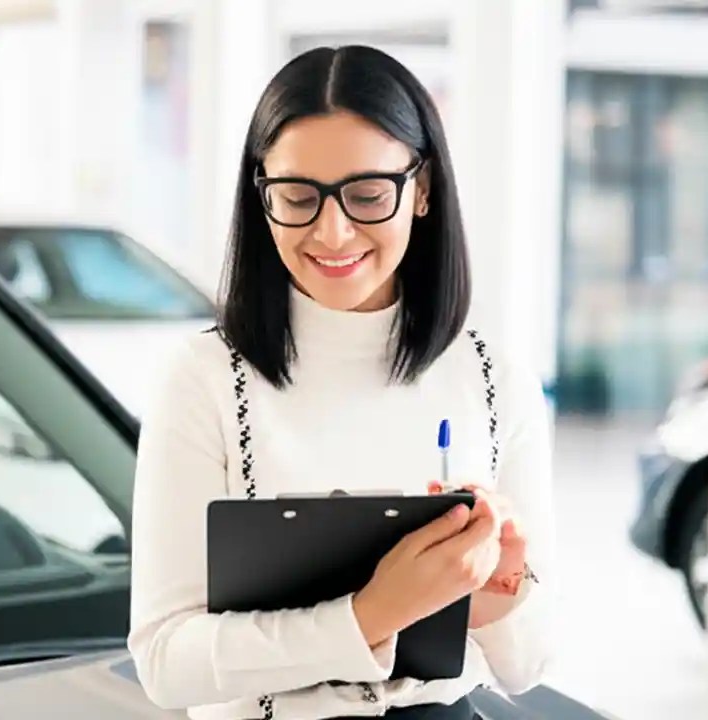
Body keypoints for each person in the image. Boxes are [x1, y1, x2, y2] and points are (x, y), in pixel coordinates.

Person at [126, 44, 556, 720]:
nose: (332, 230)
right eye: (297, 196)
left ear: (423, 191)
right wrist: (372, 614)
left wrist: (496, 591)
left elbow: (528, 665)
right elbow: (165, 663)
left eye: (366, 194)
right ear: (260, 195)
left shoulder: (495, 380)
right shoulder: (205, 381)